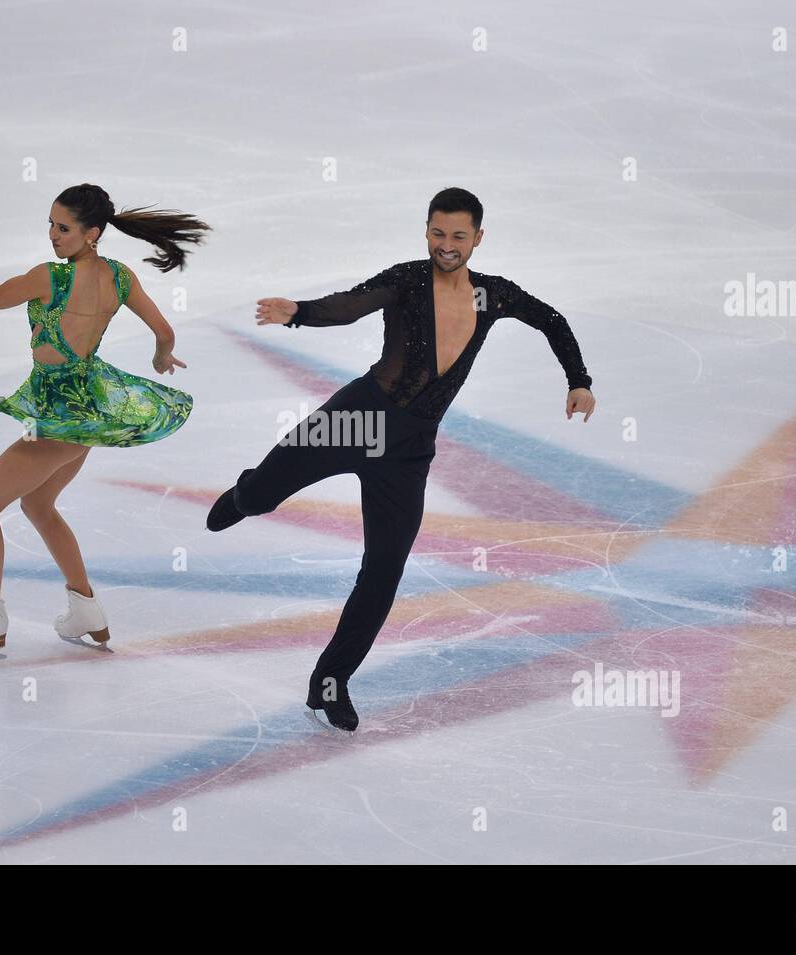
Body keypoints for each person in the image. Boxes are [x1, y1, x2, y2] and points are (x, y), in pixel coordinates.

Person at [207, 187, 596, 730]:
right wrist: (299, 313)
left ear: (478, 238)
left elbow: (551, 319)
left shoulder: (494, 296)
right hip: (357, 419)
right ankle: (246, 494)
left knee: (384, 571)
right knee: (264, 494)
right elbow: (351, 305)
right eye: (438, 233)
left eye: (459, 235)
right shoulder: (409, 279)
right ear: (427, 231)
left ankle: (331, 682)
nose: (447, 245)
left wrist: (578, 381)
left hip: (409, 451)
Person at [0, 183, 208, 661]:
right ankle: (85, 610)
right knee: (39, 506)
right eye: (51, 225)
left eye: (63, 228)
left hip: (58, 417)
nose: (53, 236)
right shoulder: (119, 278)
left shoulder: (50, 278)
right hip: (90, 409)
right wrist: (162, 357)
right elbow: (164, 331)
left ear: (92, 233)